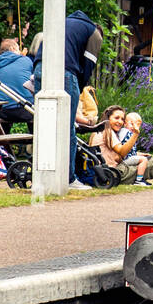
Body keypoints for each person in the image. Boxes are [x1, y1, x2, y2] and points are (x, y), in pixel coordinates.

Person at [31, 11, 103, 190]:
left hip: (40, 68)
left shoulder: (59, 22)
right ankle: (69, 178)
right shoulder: (94, 33)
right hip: (65, 73)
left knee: (46, 124)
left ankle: (42, 175)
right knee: (66, 126)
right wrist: (80, 88)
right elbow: (88, 65)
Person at [0, 38, 33, 129]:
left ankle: (4, 142)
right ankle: (37, 141)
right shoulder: (26, 60)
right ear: (13, 49)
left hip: (5, 111)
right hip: (27, 110)